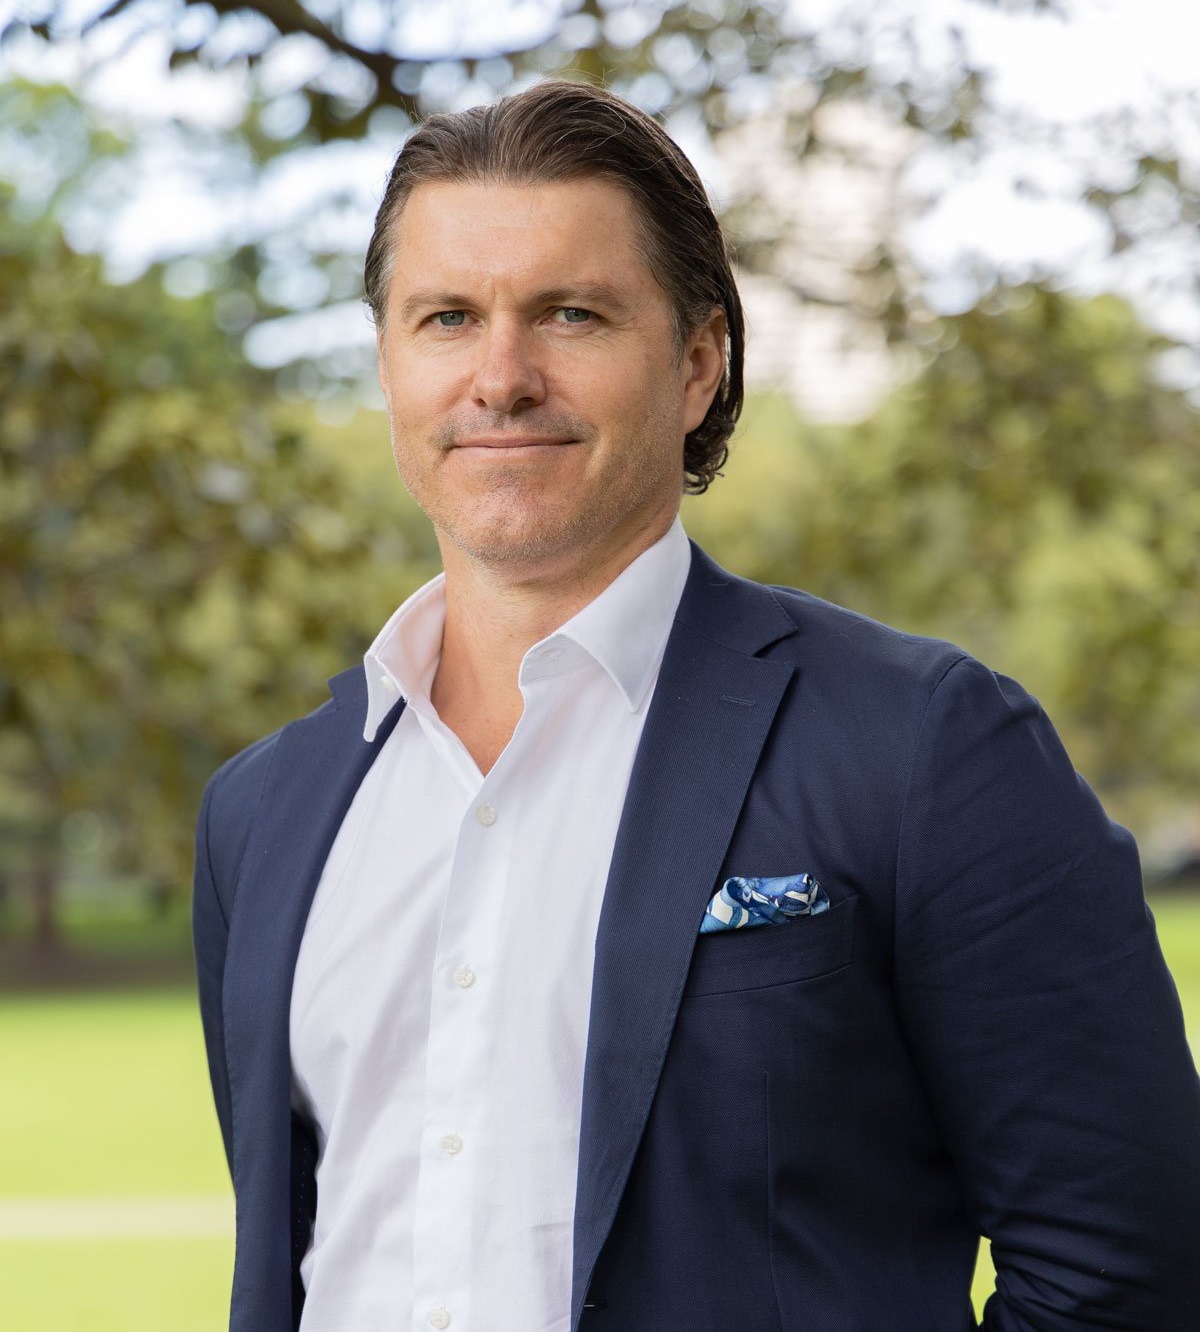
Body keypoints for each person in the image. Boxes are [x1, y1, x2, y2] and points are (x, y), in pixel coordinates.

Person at [192, 80, 1200, 1332]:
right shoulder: (265, 814)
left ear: (697, 364)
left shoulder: (926, 748)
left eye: (570, 313)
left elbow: (1128, 1279)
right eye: (447, 317)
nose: (501, 377)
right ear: (389, 364)